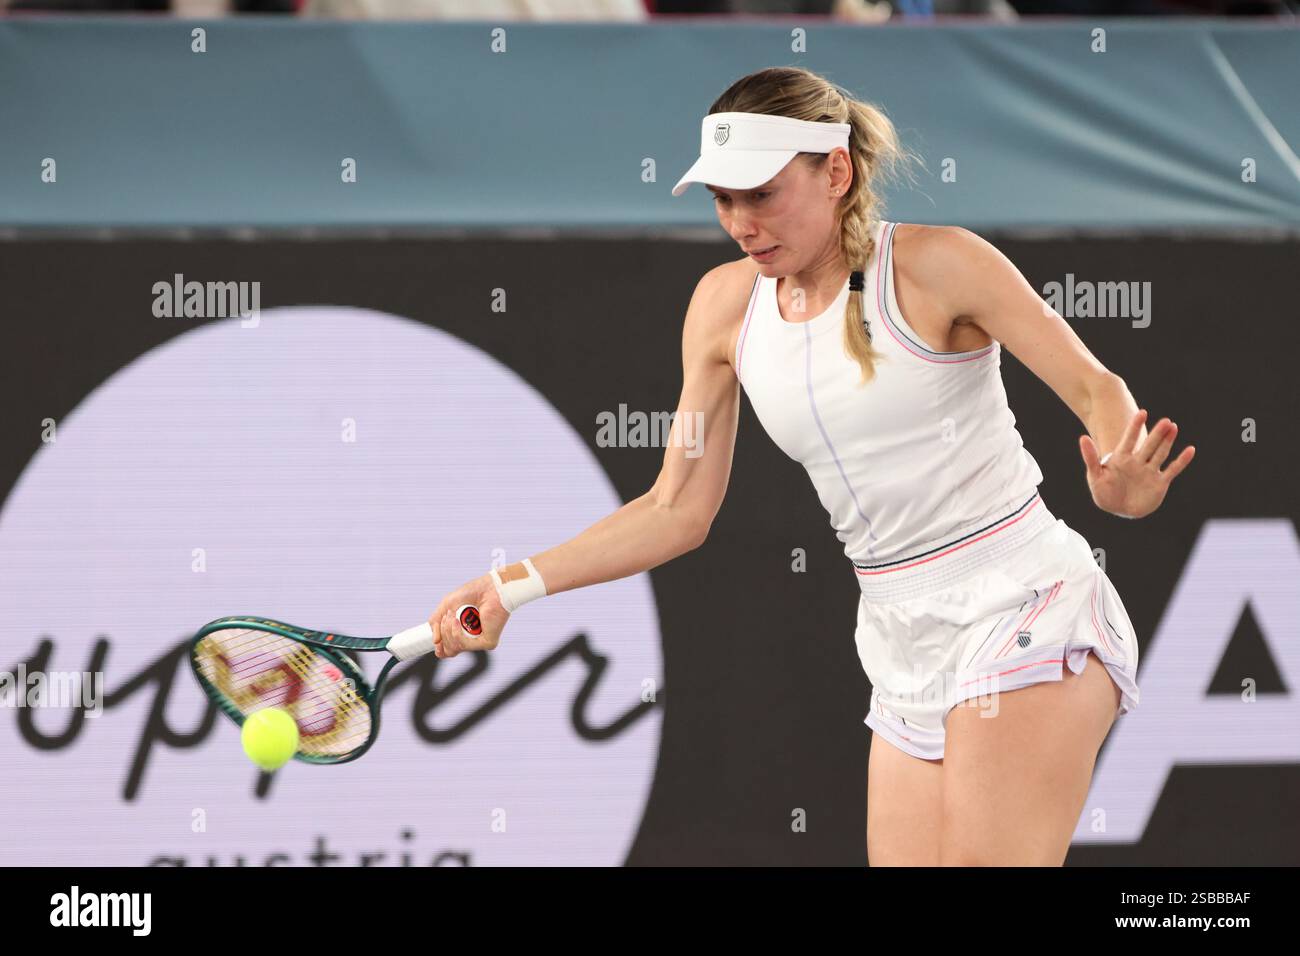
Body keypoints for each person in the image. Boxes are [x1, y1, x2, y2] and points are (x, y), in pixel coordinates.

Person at [424, 66, 1195, 866]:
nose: (740, 222)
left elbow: (1095, 387)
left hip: (1025, 600)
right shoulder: (723, 308)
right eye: (723, 200)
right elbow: (674, 510)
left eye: (761, 194)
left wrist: (1123, 478)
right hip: (899, 635)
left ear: (836, 171)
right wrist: (510, 585)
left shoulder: (943, 264)